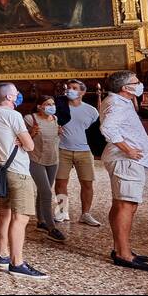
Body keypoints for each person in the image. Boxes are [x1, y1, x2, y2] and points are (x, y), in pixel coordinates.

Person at [0, 82, 48, 279]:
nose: (19, 95)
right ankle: (17, 262)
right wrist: (25, 140)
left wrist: (21, 139)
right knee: (21, 218)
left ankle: (3, 255)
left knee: (4, 212)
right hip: (18, 171)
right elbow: (29, 146)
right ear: (10, 97)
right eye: (16, 93)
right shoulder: (13, 115)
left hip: (2, 170)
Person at [100, 70, 148, 271]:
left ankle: (121, 249)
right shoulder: (116, 103)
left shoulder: (120, 101)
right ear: (125, 88)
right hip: (125, 161)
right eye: (136, 82)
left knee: (122, 204)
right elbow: (107, 128)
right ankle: (124, 254)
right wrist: (128, 149)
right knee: (126, 205)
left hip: (125, 160)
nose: (139, 84)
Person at [54, 79, 102, 226]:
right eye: (68, 88)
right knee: (61, 182)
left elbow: (97, 132)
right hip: (63, 150)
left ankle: (85, 214)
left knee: (87, 183)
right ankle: (62, 211)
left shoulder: (91, 110)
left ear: (82, 92)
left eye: (74, 88)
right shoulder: (59, 108)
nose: (70, 90)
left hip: (85, 151)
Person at [25, 95, 65, 242]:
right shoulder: (30, 119)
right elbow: (22, 138)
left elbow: (54, 139)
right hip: (36, 159)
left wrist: (59, 133)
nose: (51, 106)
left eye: (52, 104)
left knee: (43, 192)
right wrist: (31, 133)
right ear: (39, 106)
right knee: (47, 192)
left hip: (53, 160)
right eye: (47, 104)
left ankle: (41, 221)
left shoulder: (54, 119)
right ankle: (51, 227)